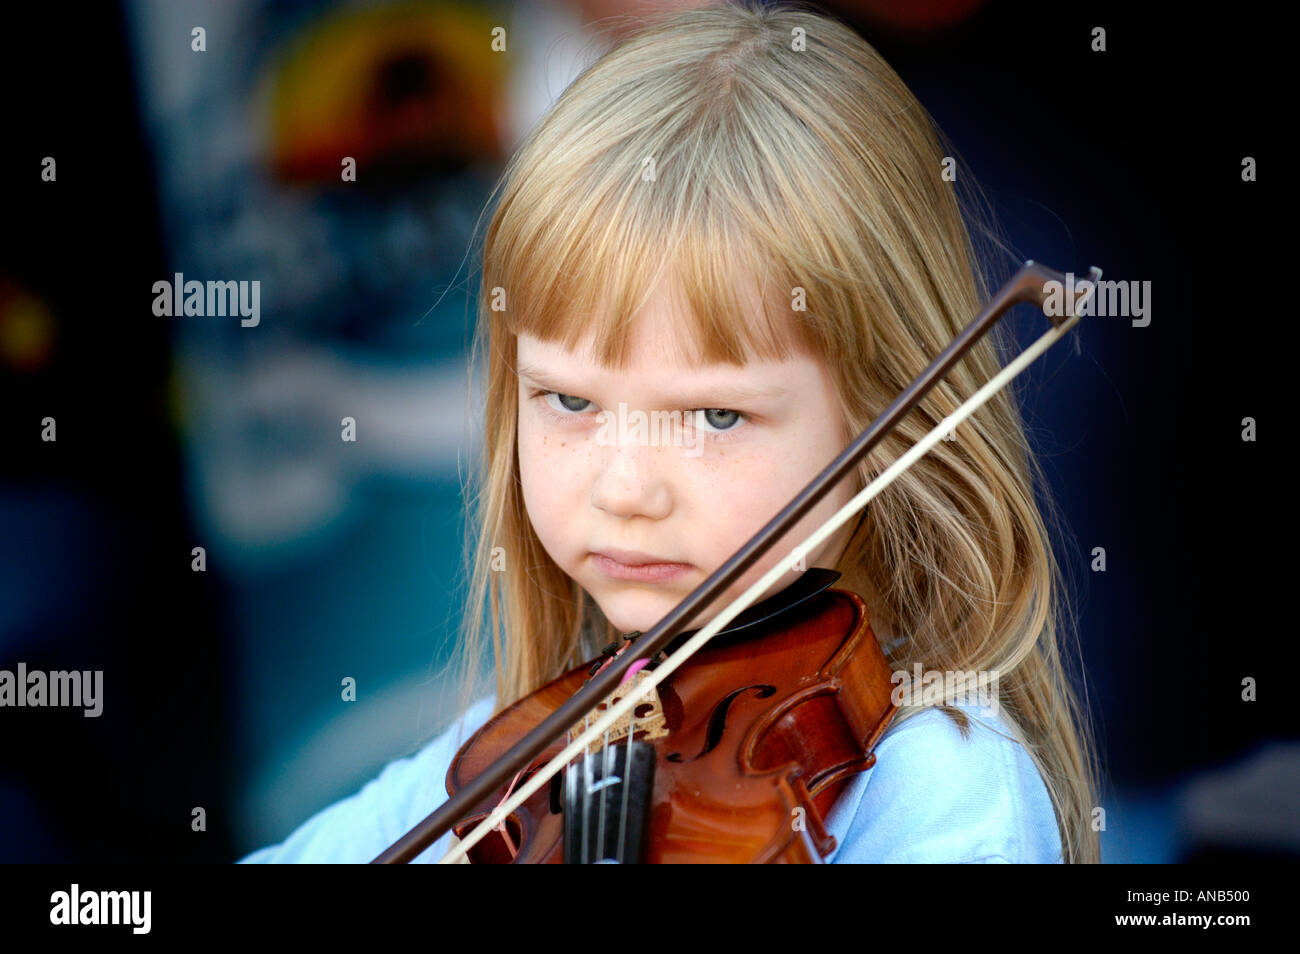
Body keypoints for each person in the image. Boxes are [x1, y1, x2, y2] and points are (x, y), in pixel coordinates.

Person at [240, 0, 1099, 864]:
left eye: (716, 416)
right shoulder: (528, 758)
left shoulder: (945, 791)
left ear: (888, 416)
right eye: (570, 402)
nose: (625, 489)